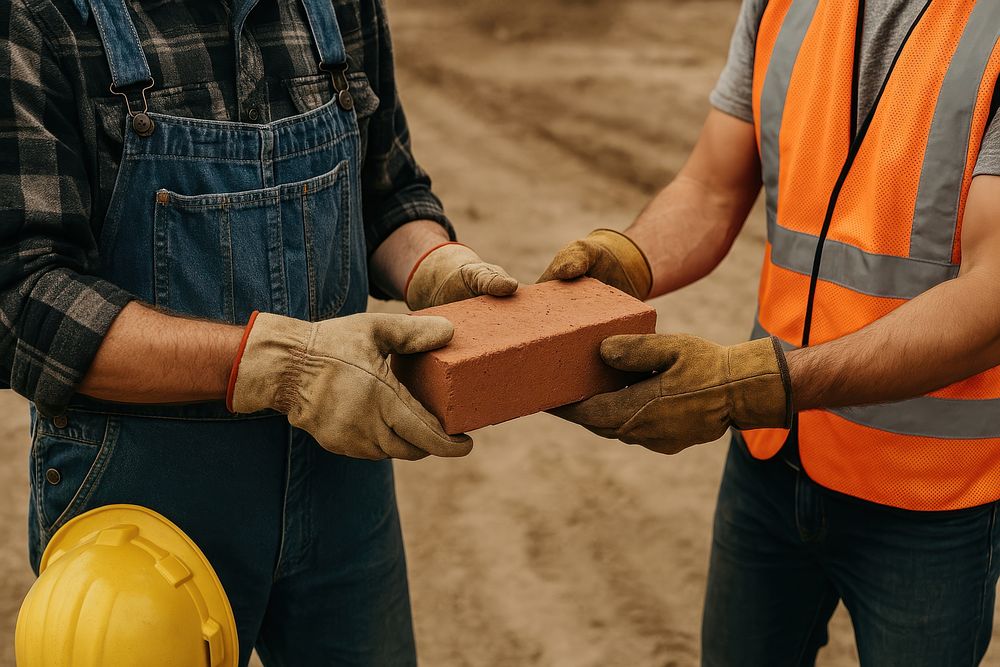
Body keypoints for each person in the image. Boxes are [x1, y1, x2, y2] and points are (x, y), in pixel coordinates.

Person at [0, 0, 516, 663]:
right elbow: (24, 298)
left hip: (341, 490)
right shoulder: (39, 18)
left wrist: (438, 265)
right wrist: (279, 365)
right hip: (145, 511)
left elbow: (385, 191)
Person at [542, 1, 1000, 665]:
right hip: (769, 463)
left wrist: (753, 384)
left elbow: (992, 299)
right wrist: (626, 259)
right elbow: (712, 187)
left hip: (927, 498)